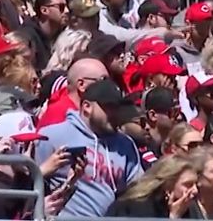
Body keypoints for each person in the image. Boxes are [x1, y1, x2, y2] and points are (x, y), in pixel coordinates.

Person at [36, 79, 143, 217]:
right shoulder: (52, 135)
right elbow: (31, 183)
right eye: (109, 107)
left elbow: (138, 189)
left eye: (118, 107)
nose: (115, 113)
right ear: (87, 106)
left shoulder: (125, 144)